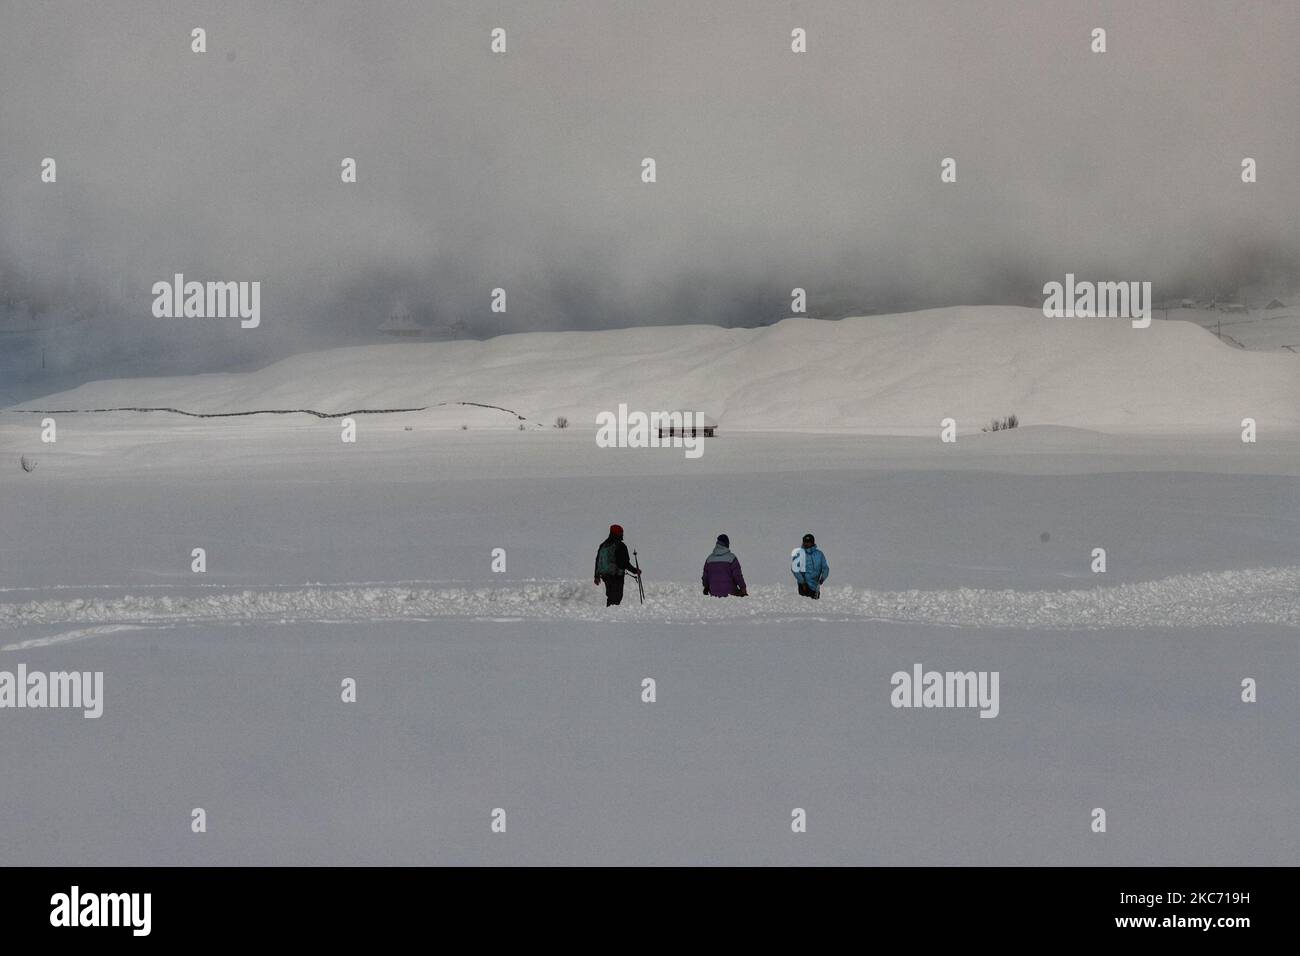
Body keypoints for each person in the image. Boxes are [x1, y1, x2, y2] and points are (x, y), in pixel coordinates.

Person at [594, 524, 641, 606]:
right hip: (616, 575)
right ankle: (610, 615)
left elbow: (598, 560)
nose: (622, 534)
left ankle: (609, 613)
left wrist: (596, 576)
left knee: (611, 596)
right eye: (620, 532)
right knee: (616, 597)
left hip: (605, 575)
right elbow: (624, 563)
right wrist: (634, 570)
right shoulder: (620, 546)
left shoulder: (603, 545)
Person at [702, 533, 748, 597]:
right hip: (730, 592)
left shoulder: (709, 559)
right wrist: (743, 588)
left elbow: (705, 577)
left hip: (713, 592)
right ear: (727, 544)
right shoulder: (732, 558)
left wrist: (706, 587)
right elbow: (738, 576)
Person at [791, 532, 829, 599]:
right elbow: (794, 569)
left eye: (809, 542)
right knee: (805, 605)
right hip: (804, 586)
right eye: (805, 542)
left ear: (813, 542)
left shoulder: (819, 554)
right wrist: (802, 582)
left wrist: (822, 578)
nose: (807, 544)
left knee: (815, 607)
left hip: (816, 587)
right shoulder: (799, 554)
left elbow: (825, 568)